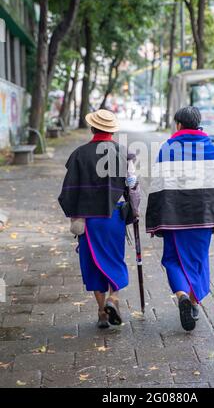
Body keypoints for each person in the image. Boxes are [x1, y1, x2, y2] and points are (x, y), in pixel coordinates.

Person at [146, 106, 214, 331]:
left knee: (172, 259)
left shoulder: (167, 149)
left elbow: (158, 185)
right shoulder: (212, 149)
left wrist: (157, 216)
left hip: (174, 218)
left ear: (178, 124)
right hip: (203, 218)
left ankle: (182, 295)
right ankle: (193, 302)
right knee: (198, 260)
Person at [58, 109, 140, 329]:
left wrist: (73, 214)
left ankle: (102, 312)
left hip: (88, 221)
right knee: (114, 259)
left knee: (92, 264)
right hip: (114, 218)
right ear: (112, 131)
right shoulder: (124, 153)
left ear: (92, 128)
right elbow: (132, 186)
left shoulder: (78, 154)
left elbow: (68, 191)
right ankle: (114, 298)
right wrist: (135, 211)